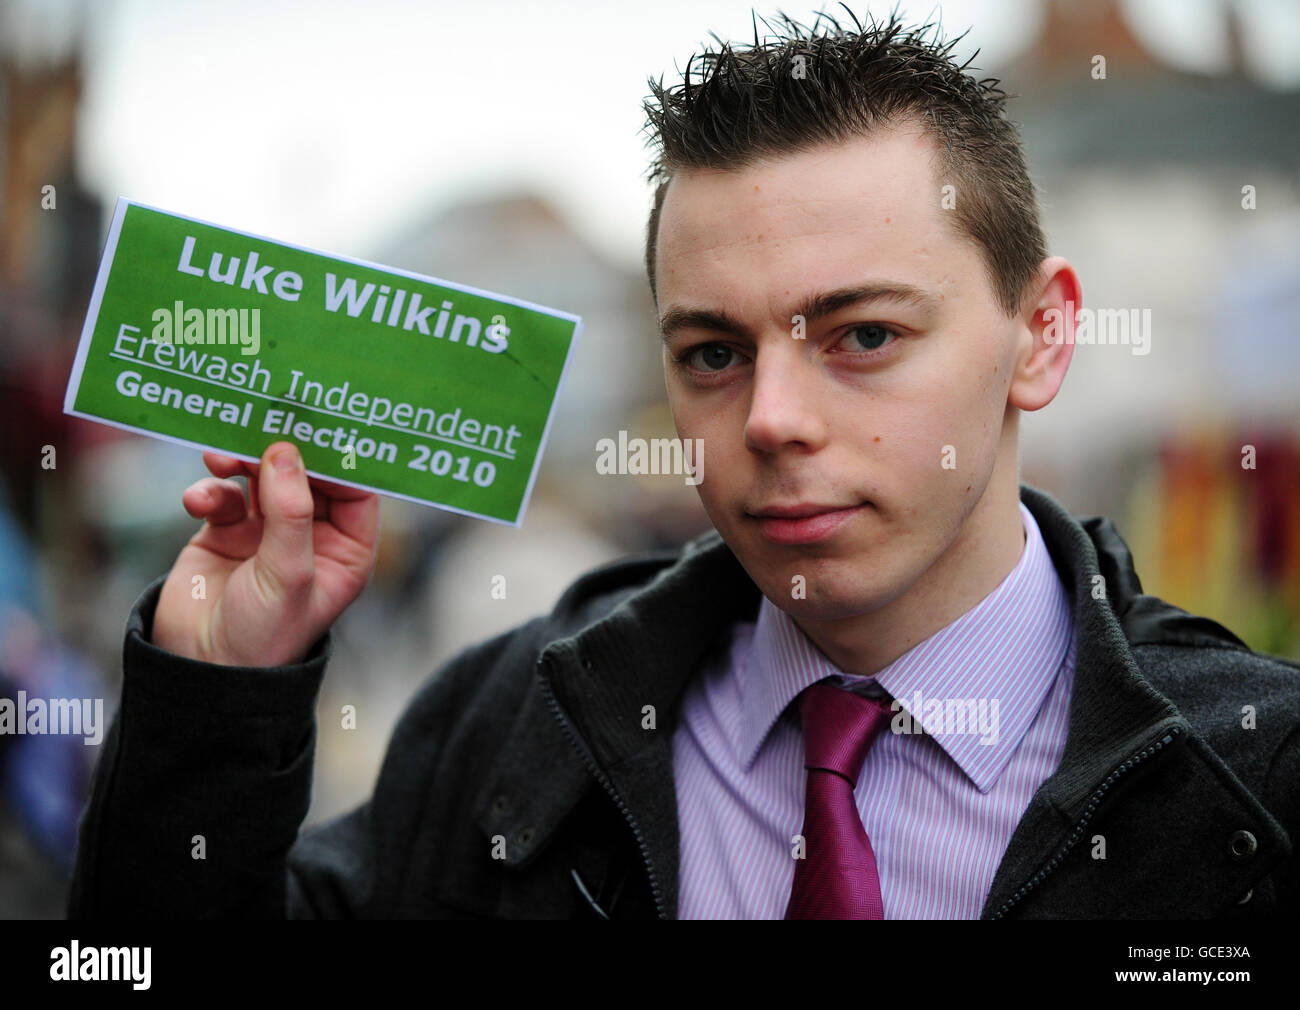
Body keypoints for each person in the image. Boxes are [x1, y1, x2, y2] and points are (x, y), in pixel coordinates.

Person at [68, 10, 1298, 919]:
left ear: (1041, 335)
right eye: (713, 351)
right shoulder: (510, 730)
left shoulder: (1251, 778)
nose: (770, 417)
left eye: (862, 335)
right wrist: (218, 690)